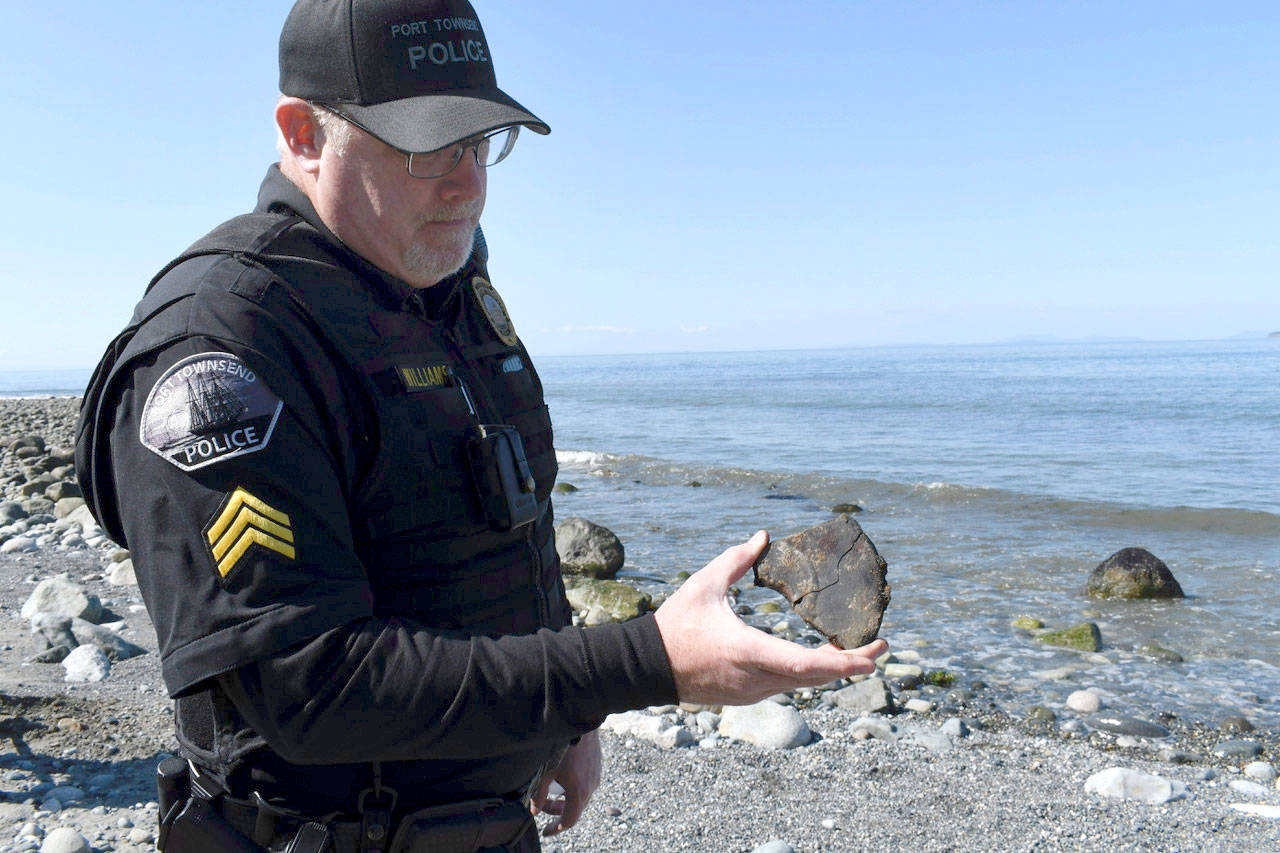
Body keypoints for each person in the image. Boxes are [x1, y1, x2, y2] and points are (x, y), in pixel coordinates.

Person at [75, 1, 888, 850]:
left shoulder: (443, 283)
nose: (468, 184)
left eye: (478, 142)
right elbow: (308, 685)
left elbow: (507, 520)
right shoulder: (227, 341)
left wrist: (569, 723)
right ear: (304, 135)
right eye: (428, 149)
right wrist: (646, 661)